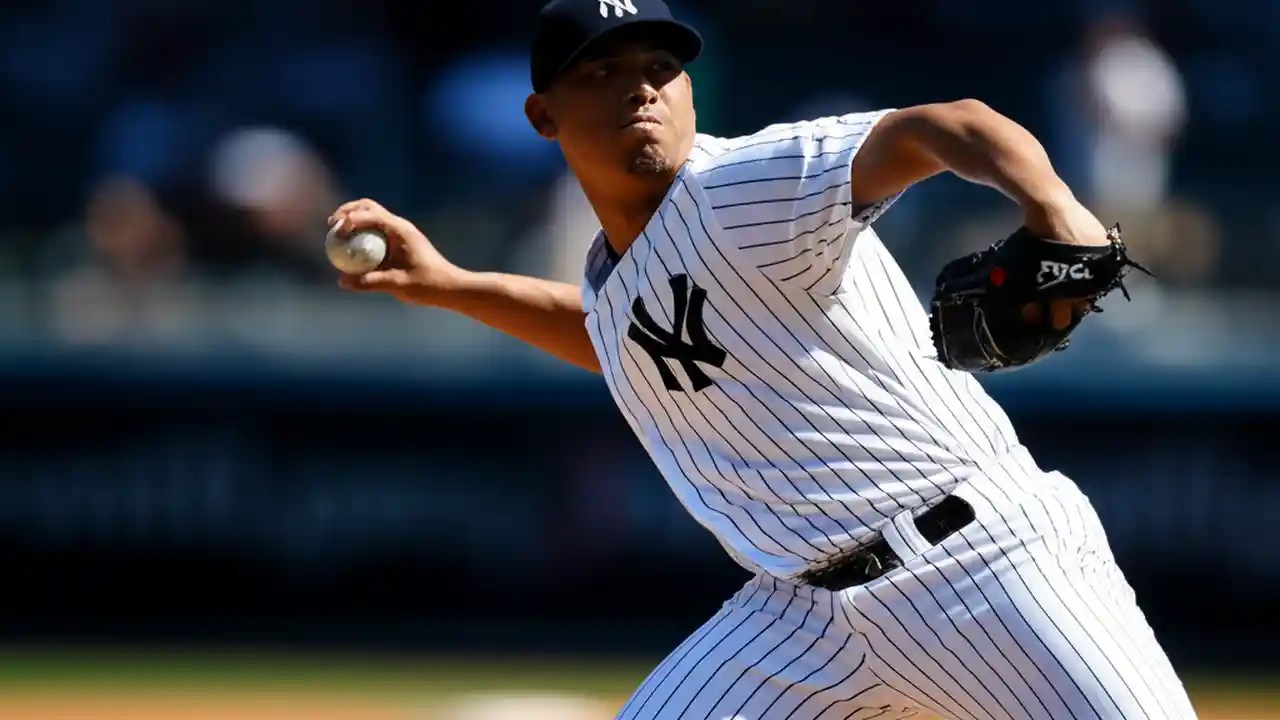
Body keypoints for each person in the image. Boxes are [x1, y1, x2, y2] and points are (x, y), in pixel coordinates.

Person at [328, 1, 1197, 717]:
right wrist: (446, 283)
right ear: (542, 115)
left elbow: (945, 126)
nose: (639, 90)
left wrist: (1056, 208)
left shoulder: (742, 189)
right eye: (602, 73)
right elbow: (611, 333)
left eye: (659, 70)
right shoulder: (620, 269)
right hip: (798, 620)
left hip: (986, 567)